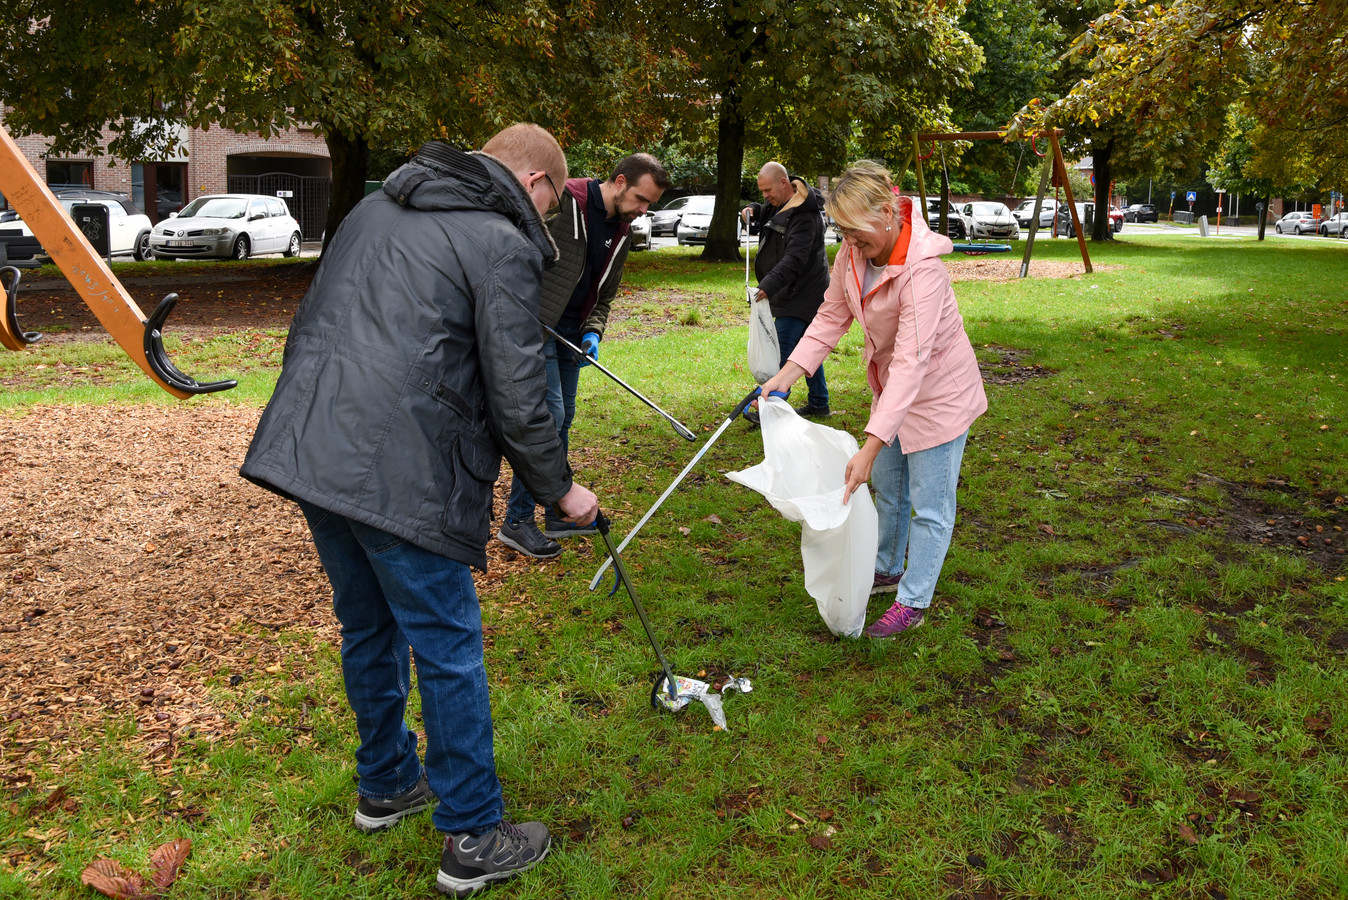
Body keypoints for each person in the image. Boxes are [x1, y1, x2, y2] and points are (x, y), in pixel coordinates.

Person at [239, 125, 599, 896]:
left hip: (315, 447)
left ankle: (387, 783)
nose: (543, 227)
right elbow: (519, 393)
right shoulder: (499, 242)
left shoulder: (372, 209)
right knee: (446, 645)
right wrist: (560, 490)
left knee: (367, 623)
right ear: (536, 182)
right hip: (396, 468)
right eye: (548, 209)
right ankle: (473, 833)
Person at [759, 160, 987, 638]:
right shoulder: (853, 252)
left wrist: (868, 445)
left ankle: (915, 597)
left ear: (888, 212)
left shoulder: (922, 270)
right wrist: (790, 371)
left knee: (930, 503)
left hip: (939, 395)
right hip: (893, 393)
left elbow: (912, 363)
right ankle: (886, 568)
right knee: (888, 488)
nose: (850, 243)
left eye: (856, 231)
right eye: (842, 232)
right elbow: (829, 316)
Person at [496, 153, 670, 559]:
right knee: (550, 417)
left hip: (573, 333)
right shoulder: (564, 201)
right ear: (620, 181)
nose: (644, 211)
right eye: (642, 199)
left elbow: (605, 294)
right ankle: (516, 520)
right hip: (537, 328)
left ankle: (557, 508)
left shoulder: (624, 229)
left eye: (650, 205)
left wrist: (593, 331)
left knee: (565, 419)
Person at [740, 161, 831, 425]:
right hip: (789, 291)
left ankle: (770, 408)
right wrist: (752, 210)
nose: (765, 196)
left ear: (783, 183)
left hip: (804, 293)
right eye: (762, 192)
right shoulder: (779, 202)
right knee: (807, 346)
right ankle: (819, 403)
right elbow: (765, 210)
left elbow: (794, 260)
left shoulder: (806, 215)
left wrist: (767, 286)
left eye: (768, 190)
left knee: (782, 351)